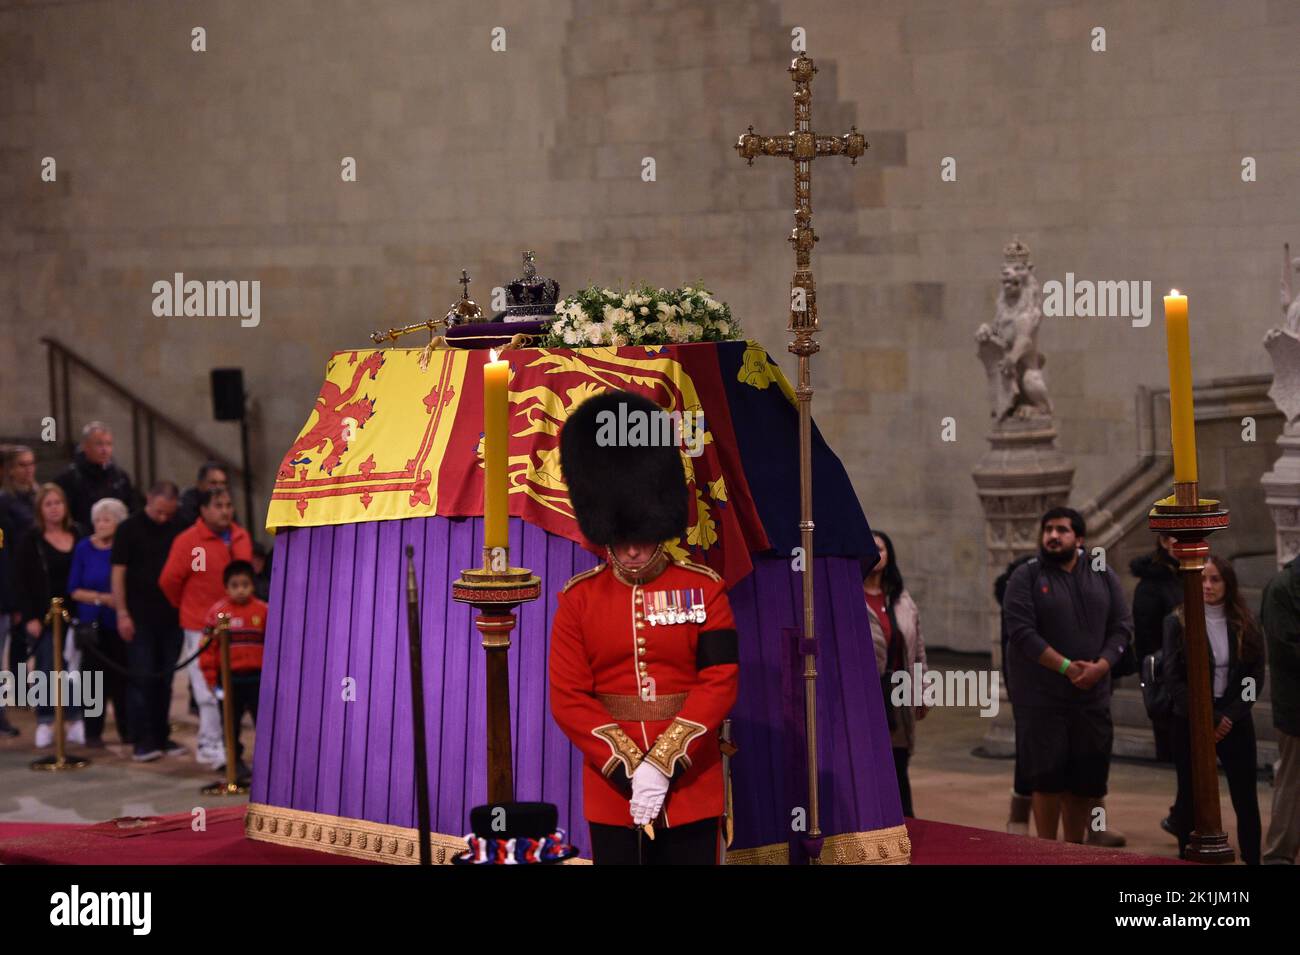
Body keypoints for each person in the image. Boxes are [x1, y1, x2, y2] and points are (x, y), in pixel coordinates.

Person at [549, 390, 740, 865]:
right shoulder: (578, 600)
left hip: (691, 776)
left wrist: (665, 760)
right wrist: (631, 766)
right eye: (623, 538)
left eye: (642, 537)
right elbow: (569, 697)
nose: (633, 551)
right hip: (612, 783)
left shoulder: (706, 590)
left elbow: (719, 681)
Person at [1002, 507, 1132, 843]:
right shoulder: (1026, 576)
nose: (1053, 536)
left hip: (1091, 696)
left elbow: (1121, 626)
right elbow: (1021, 633)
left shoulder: (1102, 573)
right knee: (1047, 780)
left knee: (1084, 780)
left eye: (1061, 530)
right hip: (1042, 699)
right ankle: (1046, 852)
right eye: (1048, 530)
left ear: (1080, 538)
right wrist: (1067, 667)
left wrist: (1102, 665)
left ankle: (1075, 851)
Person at [1162, 555, 1264, 864]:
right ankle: (1187, 856)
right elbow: (1172, 676)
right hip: (1191, 720)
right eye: (1202, 579)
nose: (1207, 585)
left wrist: (1229, 715)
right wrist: (1204, 718)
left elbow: (1253, 676)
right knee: (1190, 795)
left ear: (1227, 583)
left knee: (1245, 797)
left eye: (1215, 579)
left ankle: (1252, 859)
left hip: (1234, 718)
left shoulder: (1245, 622)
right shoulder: (1177, 621)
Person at [158, 487, 253, 767]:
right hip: (202, 627)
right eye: (218, 505)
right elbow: (169, 581)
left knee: (235, 691)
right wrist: (192, 610)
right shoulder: (188, 541)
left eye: (228, 505)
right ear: (203, 510)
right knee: (208, 691)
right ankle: (209, 745)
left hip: (238, 627)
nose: (225, 510)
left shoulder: (241, 537)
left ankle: (229, 744)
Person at [112, 481, 185, 762]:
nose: (164, 518)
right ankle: (141, 739)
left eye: (169, 512)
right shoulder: (128, 529)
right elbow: (118, 574)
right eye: (159, 512)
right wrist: (122, 613)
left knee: (165, 680)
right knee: (141, 678)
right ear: (148, 499)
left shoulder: (180, 526)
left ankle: (161, 735)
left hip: (171, 616)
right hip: (138, 616)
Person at [13, 484, 85, 748]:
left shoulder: (78, 534)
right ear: (40, 510)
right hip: (44, 615)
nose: (54, 508)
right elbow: (20, 581)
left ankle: (77, 719)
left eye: (58, 503)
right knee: (47, 669)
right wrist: (30, 616)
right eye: (49, 504)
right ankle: (45, 720)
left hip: (77, 614)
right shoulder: (30, 539)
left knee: (76, 670)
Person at [863, 530, 926, 817]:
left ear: (890, 556)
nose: (876, 553)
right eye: (871, 548)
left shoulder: (902, 599)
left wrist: (923, 690)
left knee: (898, 763)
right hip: (866, 694)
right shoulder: (851, 597)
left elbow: (918, 650)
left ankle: (905, 822)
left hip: (898, 692)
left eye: (881, 548)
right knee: (869, 763)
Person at [67, 497, 129, 748]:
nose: (101, 524)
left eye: (107, 519)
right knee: (93, 682)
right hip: (91, 625)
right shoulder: (83, 548)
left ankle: (127, 731)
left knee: (122, 681)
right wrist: (103, 598)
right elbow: (74, 589)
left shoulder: (123, 549)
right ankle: (93, 733)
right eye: (98, 520)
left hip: (118, 624)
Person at [198, 560, 267, 775]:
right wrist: (211, 679)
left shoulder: (264, 610)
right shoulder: (218, 613)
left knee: (264, 724)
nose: (240, 590)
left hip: (258, 680)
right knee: (230, 723)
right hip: (228, 681)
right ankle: (234, 761)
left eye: (245, 584)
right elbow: (207, 649)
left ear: (252, 585)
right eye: (234, 585)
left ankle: (267, 763)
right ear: (226, 587)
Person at [1260, 556, 1300, 864]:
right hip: (1295, 701)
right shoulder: (1282, 588)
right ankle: (1279, 853)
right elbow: (1286, 649)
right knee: (1293, 779)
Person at [1131, 533, 1182, 762]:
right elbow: (1146, 639)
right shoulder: (1151, 586)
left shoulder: (1189, 576)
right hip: (1168, 676)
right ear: (1164, 542)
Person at [995, 552, 1036, 834]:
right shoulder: (1016, 594)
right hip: (1028, 685)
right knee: (1028, 751)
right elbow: (1010, 649)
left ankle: (1094, 820)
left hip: (1065, 686)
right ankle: (1018, 817)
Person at [0, 445, 38, 736]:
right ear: (9, 470)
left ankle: (41, 701)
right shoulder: (4, 504)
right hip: (9, 587)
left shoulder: (39, 498)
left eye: (31, 464)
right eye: (21, 465)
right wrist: (13, 601)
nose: (28, 469)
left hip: (34, 582)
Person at [54, 422, 139, 528]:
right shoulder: (68, 478)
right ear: (85, 446)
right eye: (99, 444)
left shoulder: (120, 477)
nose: (105, 450)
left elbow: (131, 510)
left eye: (108, 444)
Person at [176, 462, 229, 530]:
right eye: (213, 483)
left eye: (223, 483)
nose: (219, 488)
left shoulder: (226, 502)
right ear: (200, 484)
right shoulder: (187, 505)